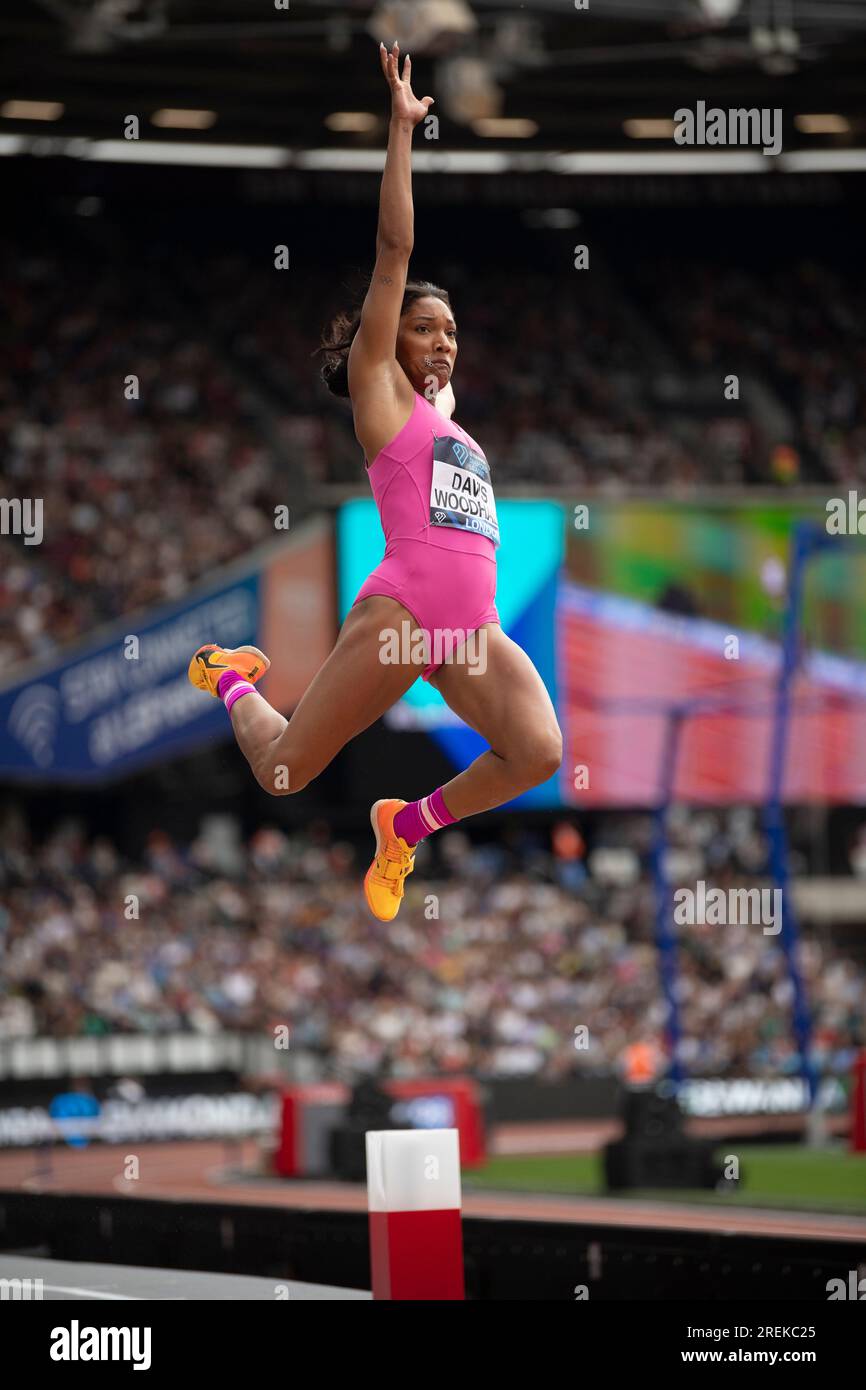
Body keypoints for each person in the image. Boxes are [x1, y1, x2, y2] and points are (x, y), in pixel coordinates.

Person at [188, 41, 562, 922]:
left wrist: (445, 380)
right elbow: (395, 247)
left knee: (539, 753)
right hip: (401, 618)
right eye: (426, 328)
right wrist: (401, 132)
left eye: (453, 333)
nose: (442, 342)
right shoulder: (378, 391)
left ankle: (407, 825)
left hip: (468, 632)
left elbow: (449, 387)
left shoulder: (444, 416)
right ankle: (233, 677)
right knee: (284, 773)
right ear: (387, 339)